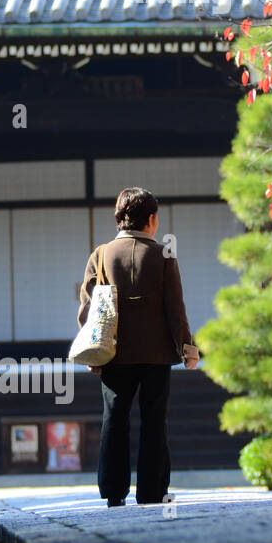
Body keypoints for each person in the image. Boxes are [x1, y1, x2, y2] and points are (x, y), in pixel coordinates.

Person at [78, 187, 198, 508]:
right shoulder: (163, 256)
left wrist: (94, 350)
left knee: (114, 418)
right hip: (156, 355)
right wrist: (187, 349)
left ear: (119, 218)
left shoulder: (101, 254)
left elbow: (89, 306)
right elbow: (176, 309)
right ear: (151, 219)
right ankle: (151, 492)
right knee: (154, 419)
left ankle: (114, 492)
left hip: (114, 354)